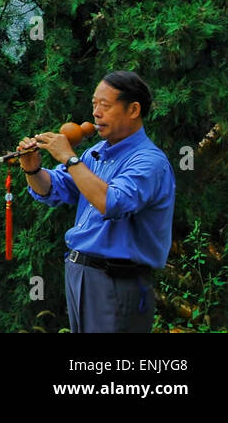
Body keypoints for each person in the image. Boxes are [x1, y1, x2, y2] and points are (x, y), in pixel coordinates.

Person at [18, 71, 175, 333]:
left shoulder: (149, 162)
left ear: (133, 109)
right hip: (82, 274)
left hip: (118, 281)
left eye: (105, 105)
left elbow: (111, 203)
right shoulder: (96, 153)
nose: (96, 113)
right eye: (94, 104)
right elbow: (54, 189)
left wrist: (69, 157)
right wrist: (32, 169)